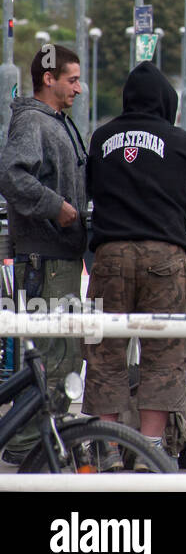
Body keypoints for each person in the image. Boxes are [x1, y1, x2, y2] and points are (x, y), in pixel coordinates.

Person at [84, 61, 186, 462]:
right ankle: (150, 454)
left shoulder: (101, 137)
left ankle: (107, 450)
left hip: (109, 256)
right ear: (168, 103)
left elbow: (90, 188)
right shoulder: (182, 140)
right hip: (164, 256)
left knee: (105, 352)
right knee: (162, 356)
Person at [0, 44, 87, 464]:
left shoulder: (54, 122)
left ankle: (43, 441)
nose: (80, 88)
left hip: (57, 256)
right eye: (72, 79)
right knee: (53, 357)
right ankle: (28, 445)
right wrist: (59, 208)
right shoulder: (33, 123)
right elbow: (13, 176)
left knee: (63, 354)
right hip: (45, 260)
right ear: (48, 78)